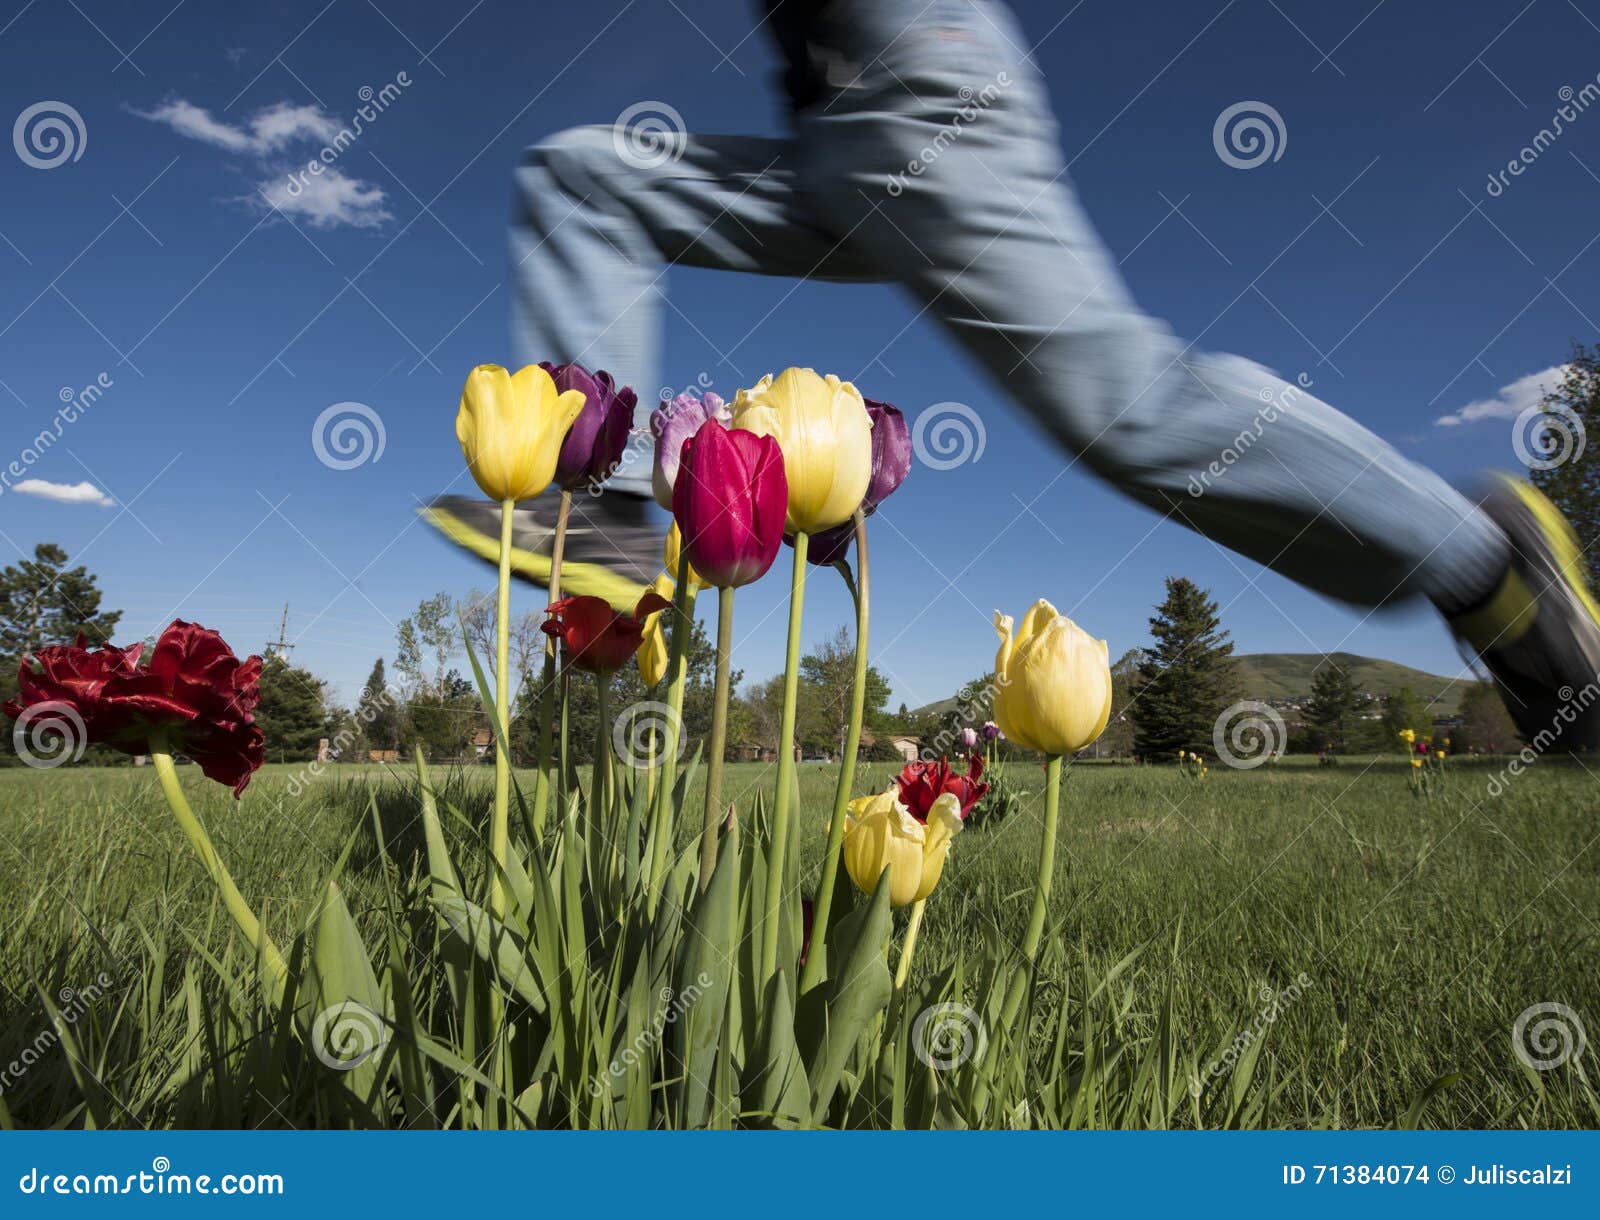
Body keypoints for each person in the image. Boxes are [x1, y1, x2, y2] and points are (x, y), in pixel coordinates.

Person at [427, 0, 1600, 749]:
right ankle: (619, 504)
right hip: (844, 139)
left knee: (1126, 406)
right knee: (582, 179)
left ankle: (1481, 555)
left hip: (919, 90)